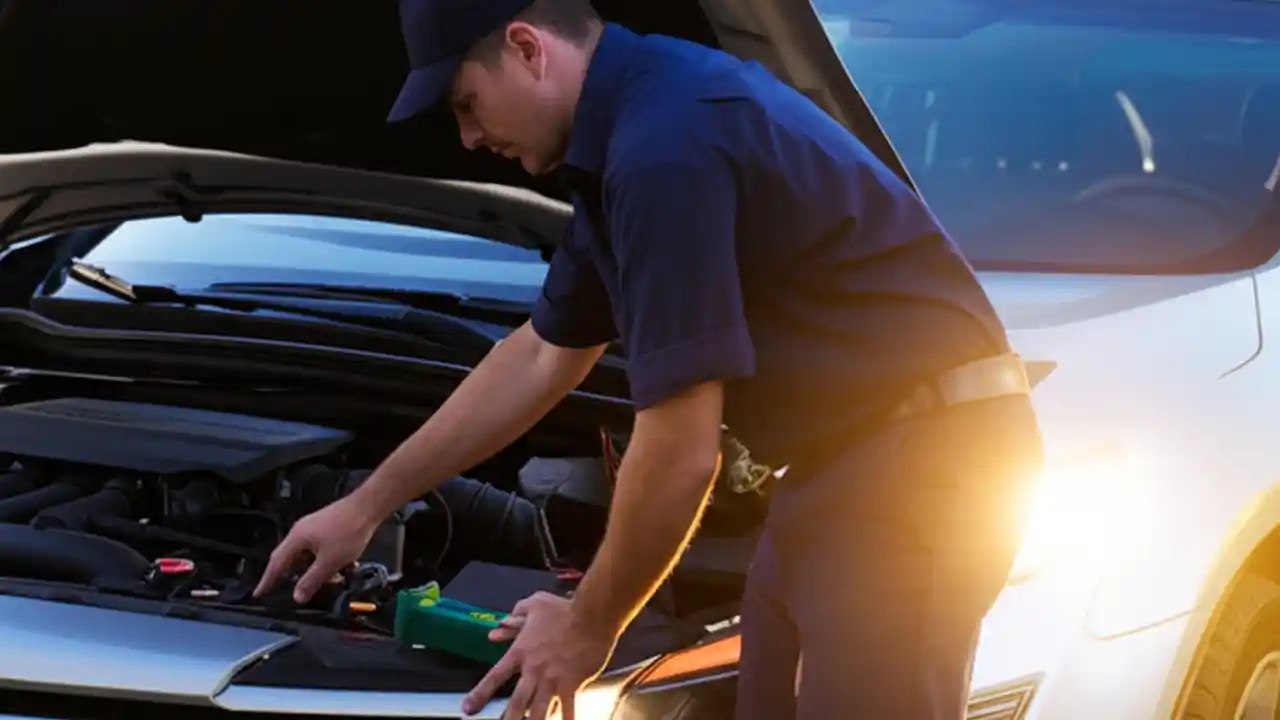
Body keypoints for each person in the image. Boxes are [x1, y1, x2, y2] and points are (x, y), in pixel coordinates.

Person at [253, 0, 1046, 718]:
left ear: (528, 49)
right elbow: (539, 356)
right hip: (838, 472)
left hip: (922, 467)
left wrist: (587, 625)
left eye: (466, 103)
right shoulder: (628, 132)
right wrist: (367, 505)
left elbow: (680, 449)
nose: (466, 137)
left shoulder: (666, 145)